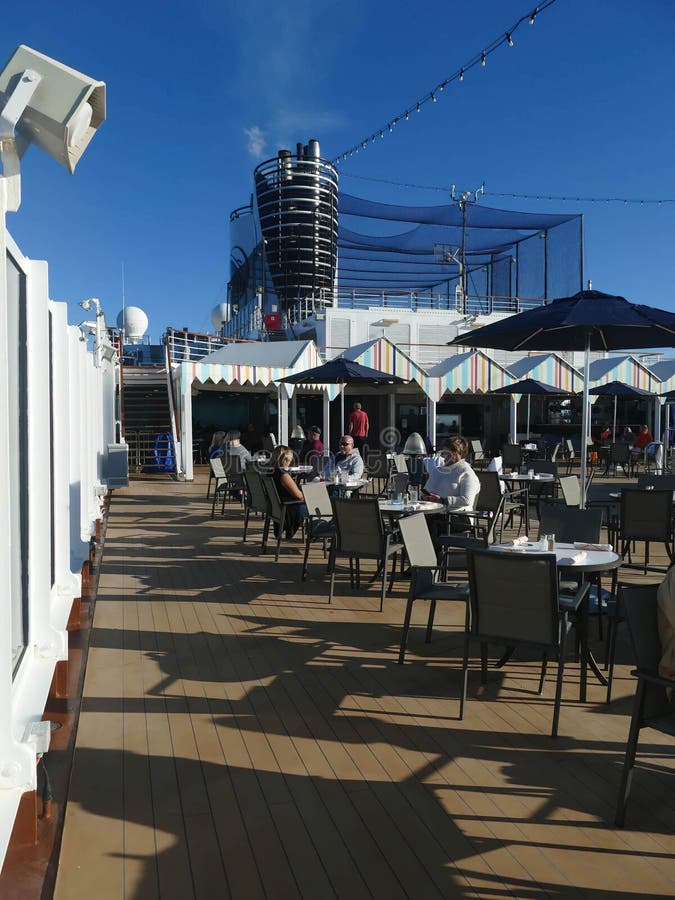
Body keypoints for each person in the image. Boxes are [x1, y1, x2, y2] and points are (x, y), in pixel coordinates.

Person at [421, 435, 480, 511]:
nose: (442, 456)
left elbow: (467, 500)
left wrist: (442, 500)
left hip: (455, 517)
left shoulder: (466, 473)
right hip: (433, 513)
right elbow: (426, 490)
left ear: (455, 454)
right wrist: (425, 496)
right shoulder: (437, 470)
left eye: (445, 453)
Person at [269, 445, 305, 536]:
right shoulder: (283, 475)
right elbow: (298, 496)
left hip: (276, 509)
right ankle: (316, 533)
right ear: (285, 460)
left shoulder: (270, 473)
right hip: (288, 509)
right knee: (318, 506)